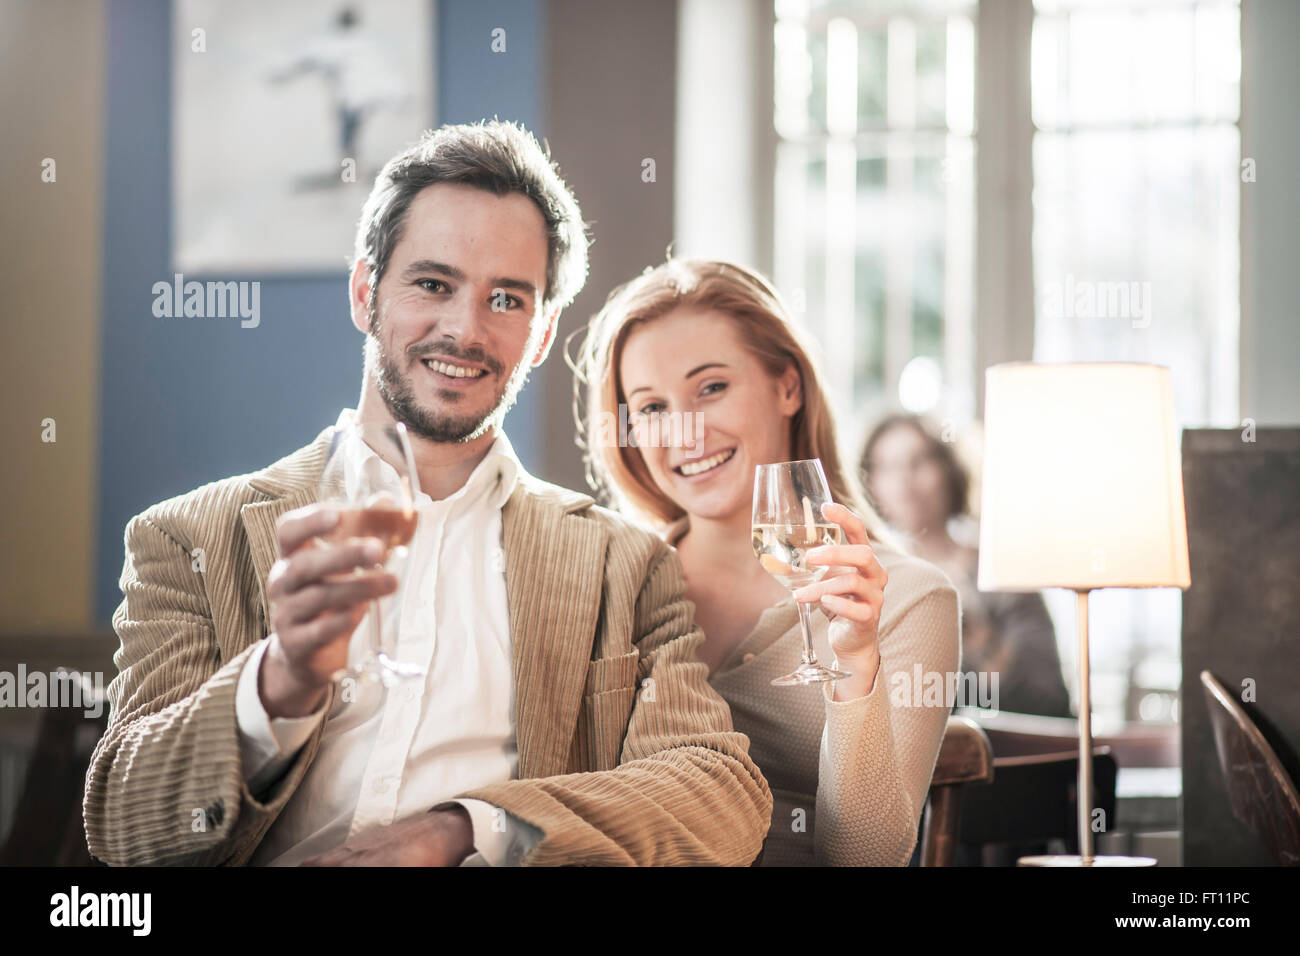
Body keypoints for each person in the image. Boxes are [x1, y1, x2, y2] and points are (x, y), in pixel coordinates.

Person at [83, 123, 772, 867]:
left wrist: (466, 829)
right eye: (433, 283)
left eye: (506, 299)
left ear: (540, 336)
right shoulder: (186, 538)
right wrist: (278, 681)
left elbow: (719, 796)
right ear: (364, 291)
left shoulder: (623, 566)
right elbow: (127, 831)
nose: (464, 329)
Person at [570, 258, 961, 865]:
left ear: (788, 387)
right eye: (650, 408)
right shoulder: (606, 578)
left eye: (711, 388)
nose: (684, 434)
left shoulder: (911, 598)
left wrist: (855, 660)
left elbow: (866, 857)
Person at [860, 414, 1073, 718]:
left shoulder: (1001, 573)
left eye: (918, 462)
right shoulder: (870, 578)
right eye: (887, 467)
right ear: (871, 484)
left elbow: (1046, 700)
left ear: (948, 471)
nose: (904, 480)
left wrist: (981, 640)